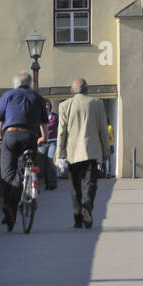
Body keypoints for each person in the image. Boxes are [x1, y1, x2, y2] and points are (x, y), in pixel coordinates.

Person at [0, 72, 48, 231]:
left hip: (10, 135)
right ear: (30, 83)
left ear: (16, 83)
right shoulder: (37, 97)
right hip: (29, 136)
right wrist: (43, 137)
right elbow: (44, 122)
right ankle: (12, 208)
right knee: (22, 170)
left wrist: (0, 136)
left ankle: (8, 208)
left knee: (6, 173)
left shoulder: (8, 95)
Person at [55, 78, 111, 228]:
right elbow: (103, 131)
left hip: (72, 153)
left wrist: (59, 154)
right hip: (91, 151)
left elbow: (61, 132)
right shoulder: (97, 103)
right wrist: (106, 151)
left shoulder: (64, 105)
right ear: (87, 90)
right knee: (90, 182)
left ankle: (78, 216)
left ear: (71, 91)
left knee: (74, 187)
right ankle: (87, 203)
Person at [39, 98, 59, 191]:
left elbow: (60, 127)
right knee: (41, 163)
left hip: (52, 141)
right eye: (45, 105)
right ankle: (42, 183)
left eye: (48, 104)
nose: (46, 106)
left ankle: (52, 183)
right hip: (42, 142)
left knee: (50, 161)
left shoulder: (55, 116)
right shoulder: (39, 116)